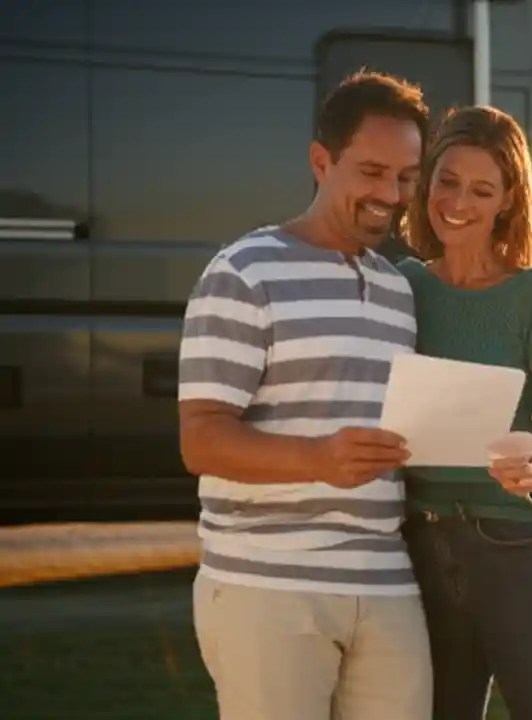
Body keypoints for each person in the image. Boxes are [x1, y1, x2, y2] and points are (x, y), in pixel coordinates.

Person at [176, 71, 433, 719]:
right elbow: (201, 437)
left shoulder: (399, 291)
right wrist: (318, 458)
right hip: (267, 584)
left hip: (385, 582)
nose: (391, 195)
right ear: (321, 162)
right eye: (372, 171)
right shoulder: (244, 272)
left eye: (406, 176)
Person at [397, 105, 532, 720]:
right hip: (422, 549)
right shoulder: (401, 286)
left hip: (520, 548)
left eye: (482, 189)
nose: (458, 201)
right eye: (448, 181)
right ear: (426, 181)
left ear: (509, 201)